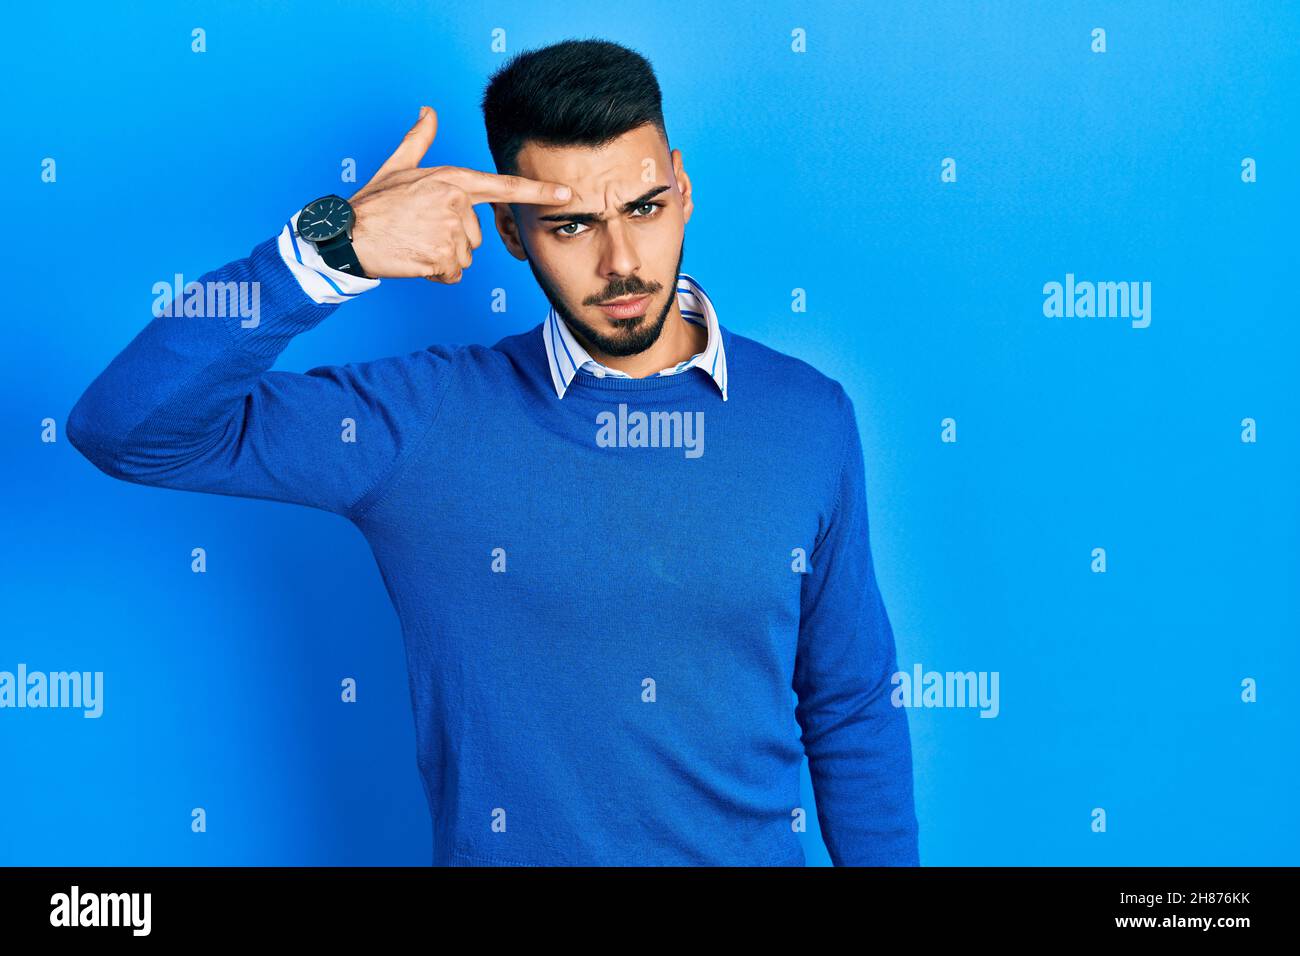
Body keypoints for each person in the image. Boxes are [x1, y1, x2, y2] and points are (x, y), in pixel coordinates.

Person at [67, 38, 919, 866]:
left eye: (645, 208)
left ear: (684, 188)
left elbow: (851, 708)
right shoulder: (419, 421)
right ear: (512, 234)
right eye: (572, 225)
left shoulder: (809, 417)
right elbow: (126, 428)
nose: (622, 261)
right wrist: (327, 251)